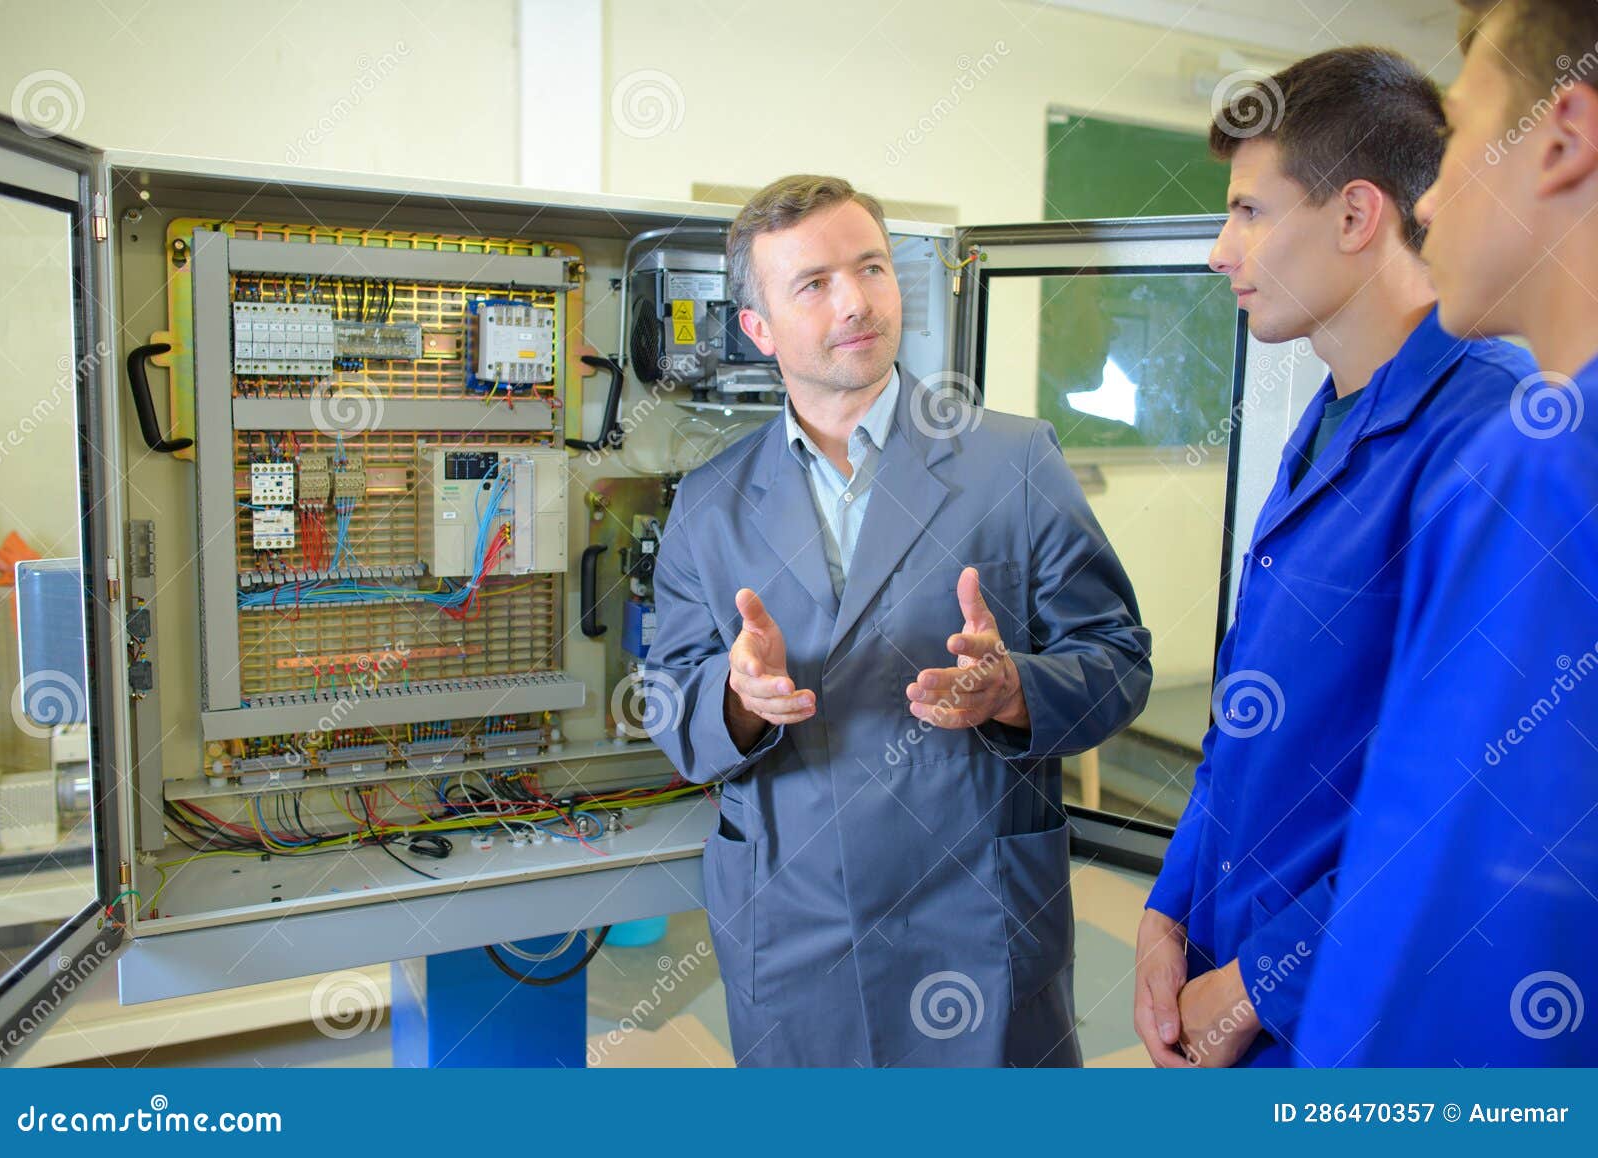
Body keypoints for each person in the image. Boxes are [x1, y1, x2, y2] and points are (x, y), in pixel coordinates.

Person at [644, 174, 1151, 1066]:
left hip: (971, 906)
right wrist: (737, 699)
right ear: (758, 329)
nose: (857, 302)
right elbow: (670, 708)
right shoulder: (709, 502)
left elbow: (1117, 661)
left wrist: (1013, 690)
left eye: (871, 268)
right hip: (795, 916)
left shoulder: (1011, 460)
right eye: (814, 284)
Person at [1134, 47, 1537, 1067]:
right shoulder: (1330, 415)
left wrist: (1261, 985)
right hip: (1236, 961)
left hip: (1355, 1015)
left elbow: (1472, 800)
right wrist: (1171, 904)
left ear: (1357, 216)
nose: (1220, 249)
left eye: (1249, 212)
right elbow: (1254, 720)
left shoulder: (1492, 431)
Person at [1298, 1, 1598, 1066]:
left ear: (1560, 138)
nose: (1427, 194)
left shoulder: (1541, 468)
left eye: (1462, 134)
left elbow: (1438, 931)